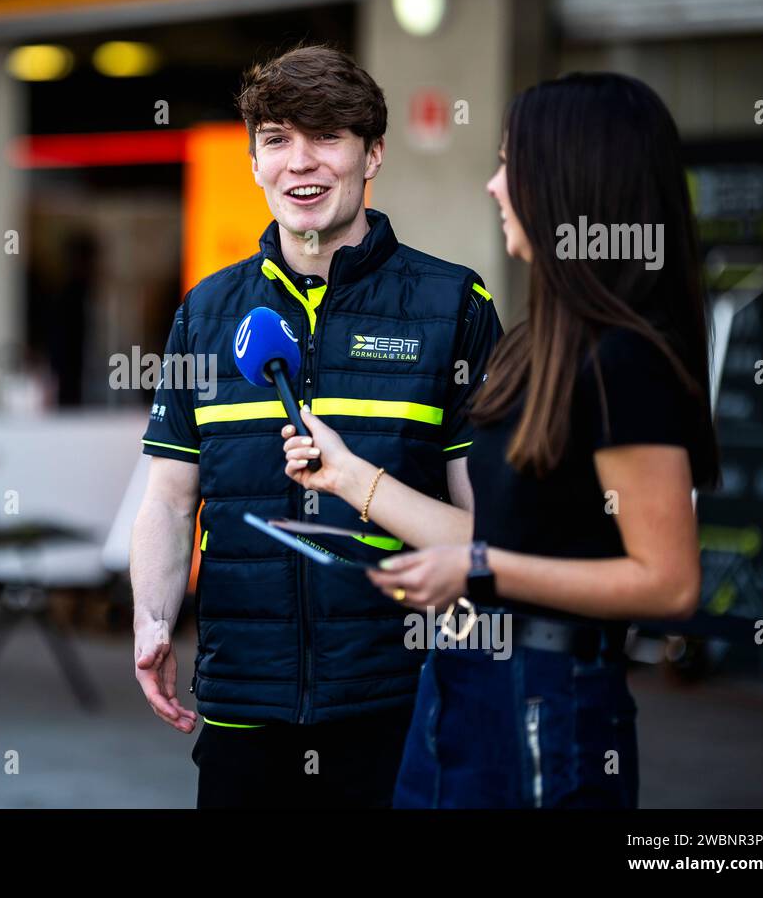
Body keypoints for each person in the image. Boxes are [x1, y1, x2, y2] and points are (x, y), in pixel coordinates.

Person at [281, 72, 719, 807]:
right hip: (462, 685)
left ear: (568, 180)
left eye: (510, 164)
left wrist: (479, 571)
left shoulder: (625, 361)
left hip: (549, 699)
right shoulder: (531, 348)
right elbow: (505, 535)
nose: (492, 185)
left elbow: (669, 583)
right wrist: (350, 477)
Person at [131, 44, 502, 808]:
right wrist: (153, 618)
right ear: (255, 162)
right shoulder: (205, 313)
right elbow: (169, 499)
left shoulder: (453, 306)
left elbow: (484, 536)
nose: (300, 162)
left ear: (374, 154)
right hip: (241, 706)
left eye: (326, 136)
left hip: (400, 705)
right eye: (276, 139)